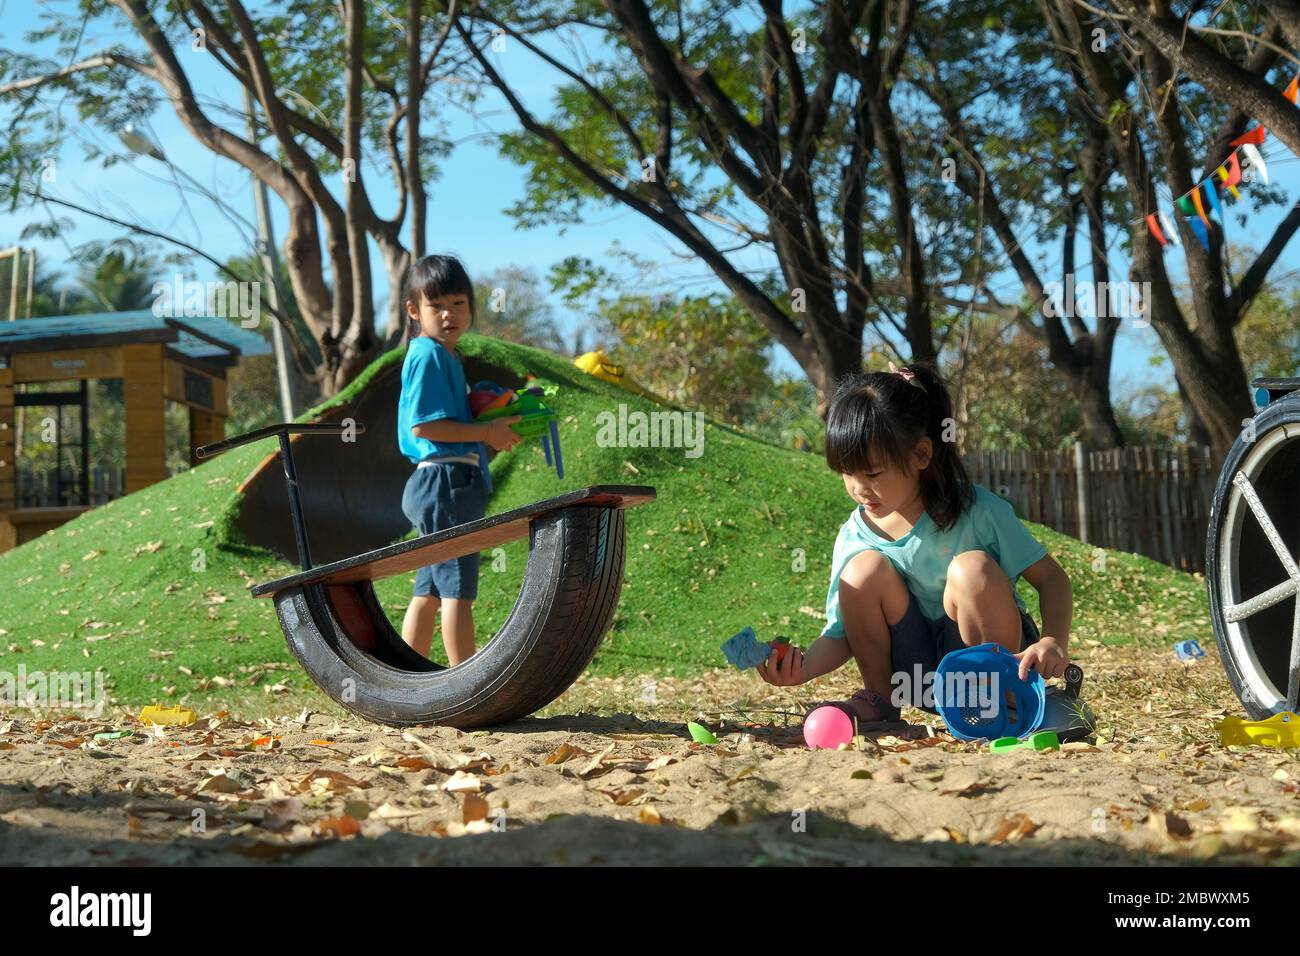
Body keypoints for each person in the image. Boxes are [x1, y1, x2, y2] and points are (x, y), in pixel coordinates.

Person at [756, 361, 1074, 724]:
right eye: (847, 473)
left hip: (1002, 662)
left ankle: (1000, 700)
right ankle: (880, 701)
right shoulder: (853, 537)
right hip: (918, 679)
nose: (859, 488)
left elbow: (1052, 579)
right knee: (861, 570)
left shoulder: (977, 510)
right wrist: (803, 668)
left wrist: (1053, 640)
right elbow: (843, 633)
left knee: (971, 569)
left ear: (922, 454)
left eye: (872, 473)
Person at [396, 254, 521, 664]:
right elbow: (424, 428)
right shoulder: (430, 355)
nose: (449, 314)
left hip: (437, 483)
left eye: (459, 304)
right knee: (457, 593)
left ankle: (410, 678)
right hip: (446, 483)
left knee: (429, 591)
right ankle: (463, 683)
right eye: (437, 306)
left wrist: (493, 415)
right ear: (414, 310)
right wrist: (485, 432)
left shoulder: (445, 355)